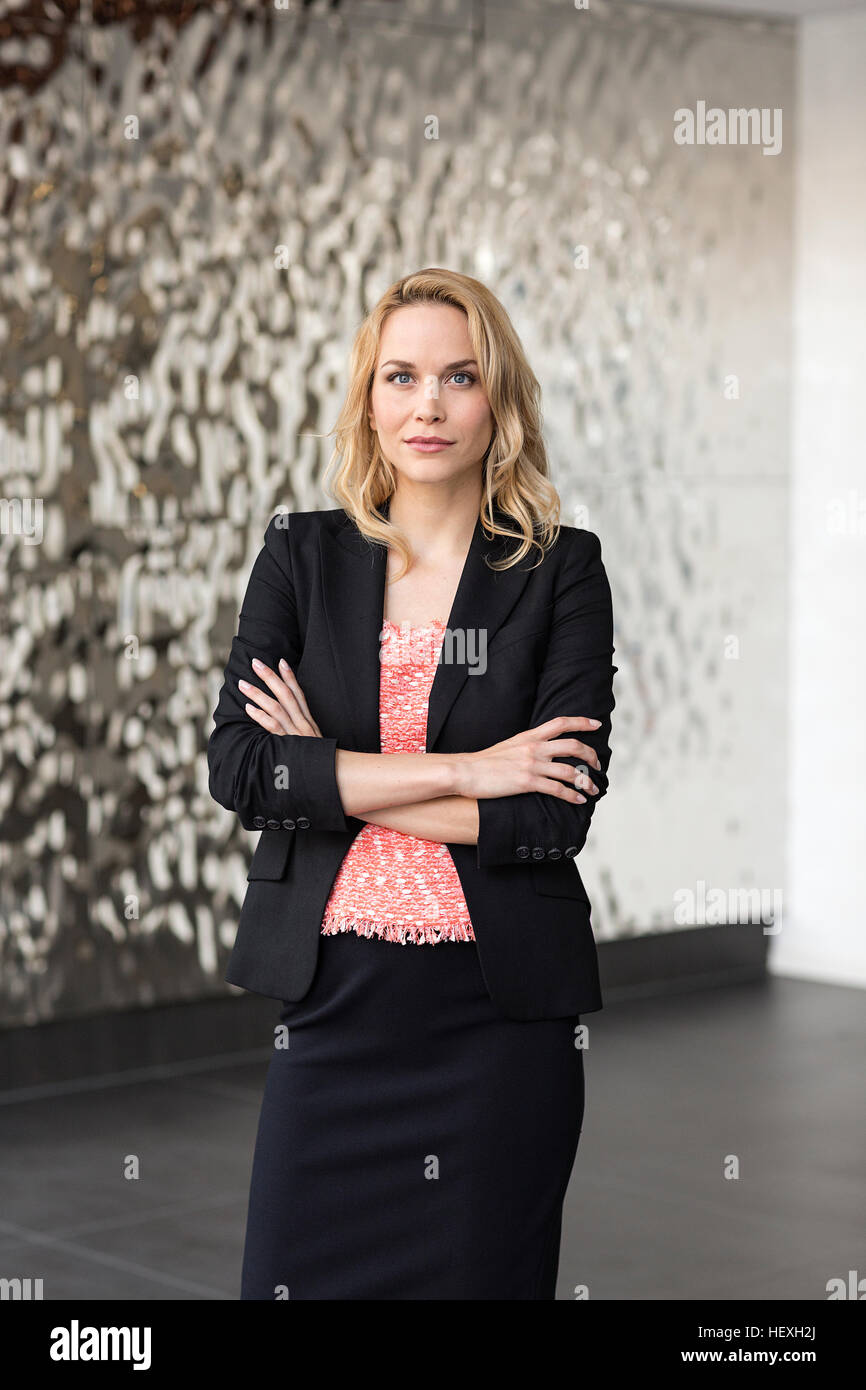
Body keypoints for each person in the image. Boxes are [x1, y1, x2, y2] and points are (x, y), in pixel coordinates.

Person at [207, 267, 617, 1300]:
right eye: (400, 376)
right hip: (334, 1008)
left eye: (458, 376)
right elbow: (246, 770)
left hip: (495, 1024)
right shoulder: (299, 557)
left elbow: (549, 811)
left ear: (498, 401)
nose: (426, 404)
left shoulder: (560, 569)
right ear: (368, 398)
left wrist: (333, 775)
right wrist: (468, 772)